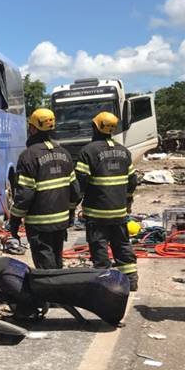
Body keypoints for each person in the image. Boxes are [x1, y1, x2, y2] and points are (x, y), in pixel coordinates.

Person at [8, 108, 80, 269]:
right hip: (61, 222)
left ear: (33, 128)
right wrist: (69, 215)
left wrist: (14, 220)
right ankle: (59, 291)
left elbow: (24, 195)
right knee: (57, 260)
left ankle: (52, 293)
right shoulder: (65, 154)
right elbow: (75, 191)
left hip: (39, 224)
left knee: (45, 266)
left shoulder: (28, 156)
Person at [75, 112, 139, 291]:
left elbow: (80, 183)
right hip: (119, 211)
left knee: (99, 246)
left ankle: (104, 282)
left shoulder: (88, 152)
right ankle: (131, 279)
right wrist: (126, 201)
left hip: (96, 212)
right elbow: (132, 181)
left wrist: (73, 205)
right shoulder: (124, 151)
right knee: (122, 244)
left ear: (95, 127)